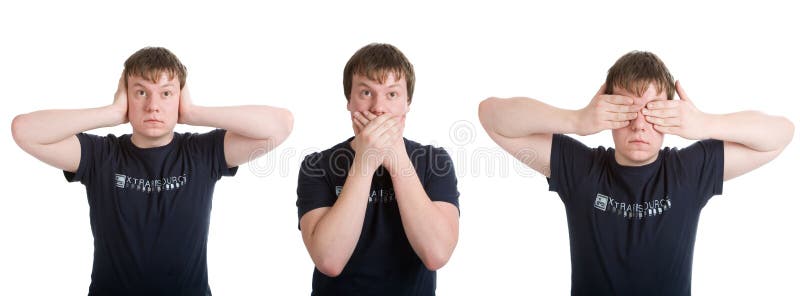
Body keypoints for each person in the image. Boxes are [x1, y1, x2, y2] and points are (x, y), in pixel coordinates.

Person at [478, 51, 794, 295]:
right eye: (626, 110)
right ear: (607, 111)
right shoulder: (582, 170)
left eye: (654, 111)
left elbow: (781, 134)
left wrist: (704, 125)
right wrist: (577, 120)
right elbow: (491, 115)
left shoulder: (687, 171)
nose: (639, 124)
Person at [11, 47, 294, 295]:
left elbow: (280, 125)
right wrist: (111, 113)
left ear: (180, 98)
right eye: (141, 92)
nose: (153, 106)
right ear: (126, 97)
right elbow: (24, 131)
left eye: (166, 93)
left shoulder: (202, 152)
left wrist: (193, 113)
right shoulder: (101, 155)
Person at [296, 43, 460, 295]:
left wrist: (398, 161)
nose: (378, 107)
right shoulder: (317, 165)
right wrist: (365, 160)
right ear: (349, 101)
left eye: (392, 94)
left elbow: (436, 254)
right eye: (365, 92)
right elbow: (329, 260)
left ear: (407, 103)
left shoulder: (434, 161)